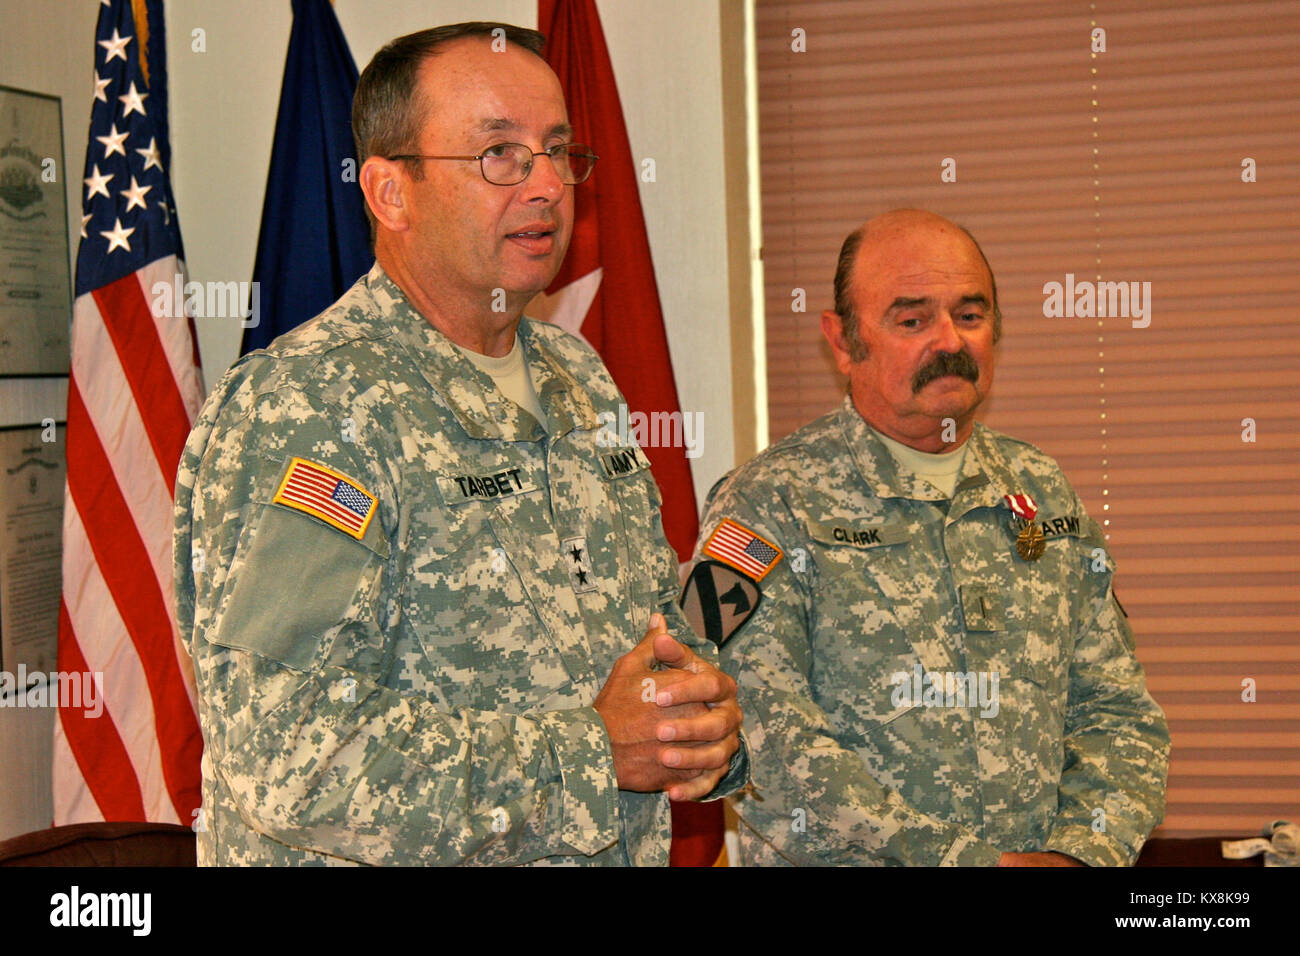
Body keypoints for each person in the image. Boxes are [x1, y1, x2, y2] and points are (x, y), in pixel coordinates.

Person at [173, 22, 744, 866]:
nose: (547, 183)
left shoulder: (577, 375)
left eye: (556, 149)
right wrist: (591, 753)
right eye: (499, 154)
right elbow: (291, 756)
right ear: (389, 191)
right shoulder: (310, 406)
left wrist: (694, 717)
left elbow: (647, 633)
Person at [681, 208, 1169, 866]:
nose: (949, 341)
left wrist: (1081, 855)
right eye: (912, 320)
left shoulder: (1044, 493)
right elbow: (765, 739)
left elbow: (1117, 710)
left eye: (970, 316)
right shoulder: (768, 506)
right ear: (843, 340)